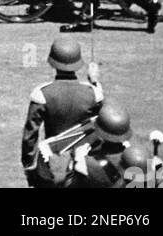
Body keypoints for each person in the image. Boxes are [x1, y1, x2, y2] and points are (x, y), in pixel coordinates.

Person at [21, 37, 103, 188]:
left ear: (52, 62)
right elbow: (103, 122)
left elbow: (30, 136)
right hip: (84, 161)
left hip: (52, 161)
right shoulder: (93, 93)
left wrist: (29, 165)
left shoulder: (42, 93)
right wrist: (95, 82)